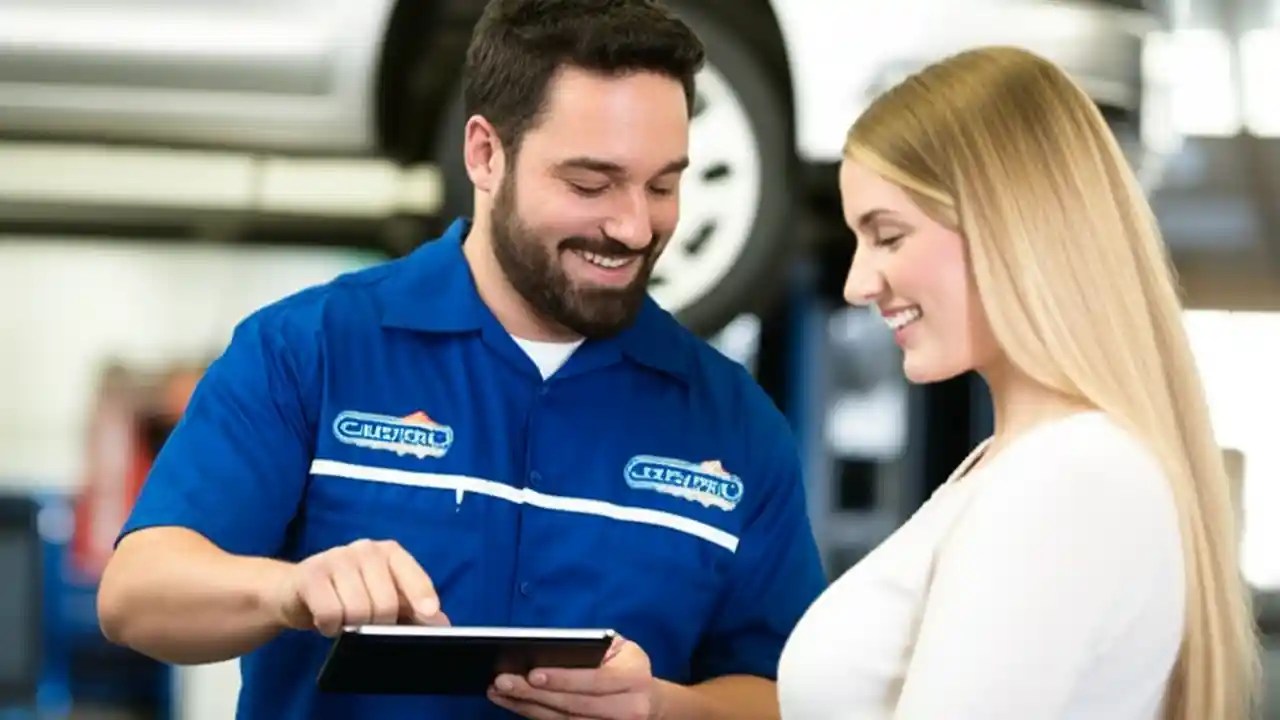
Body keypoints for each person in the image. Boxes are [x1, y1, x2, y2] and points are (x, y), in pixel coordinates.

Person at [96, 1, 827, 718]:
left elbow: (787, 696)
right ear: (485, 154)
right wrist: (288, 591)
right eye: (590, 184)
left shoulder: (735, 423)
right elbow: (136, 595)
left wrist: (664, 709)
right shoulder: (311, 347)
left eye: (663, 185)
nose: (635, 226)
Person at [777, 46, 1260, 720]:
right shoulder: (1029, 466)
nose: (859, 283)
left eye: (888, 236)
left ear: (1007, 225)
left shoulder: (1068, 477)